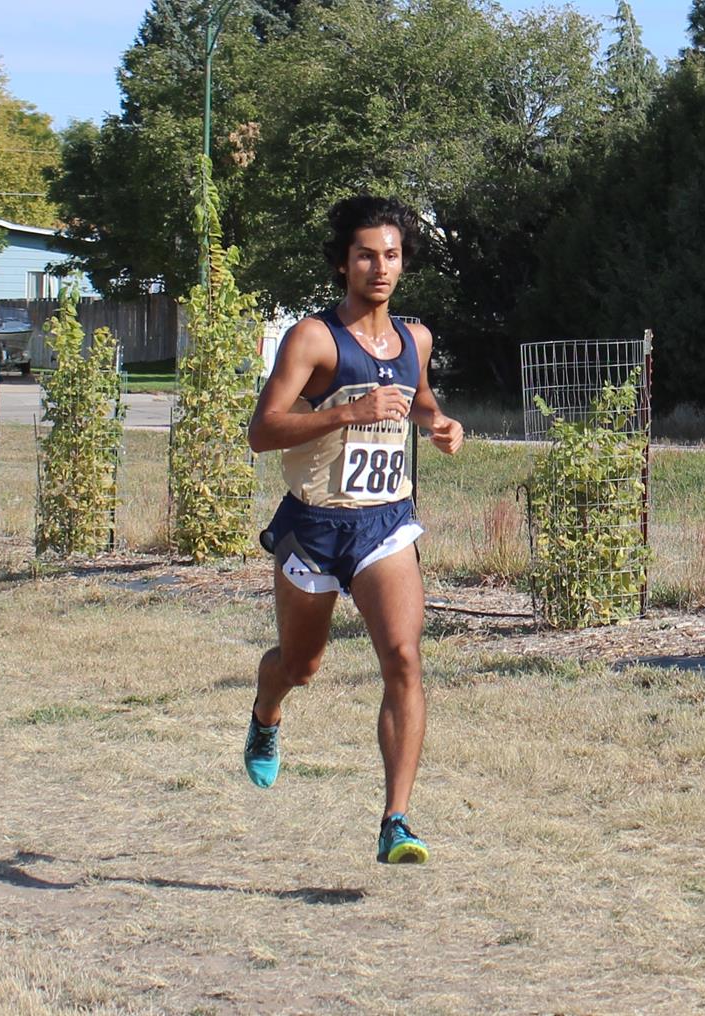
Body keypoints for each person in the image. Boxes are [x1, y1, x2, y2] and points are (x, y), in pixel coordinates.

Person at [243, 195, 464, 865]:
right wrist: (348, 412)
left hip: (385, 525)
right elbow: (262, 431)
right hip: (313, 526)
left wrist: (439, 424)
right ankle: (265, 714)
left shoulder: (414, 339)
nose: (380, 267)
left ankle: (396, 818)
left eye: (391, 255)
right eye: (366, 254)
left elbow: (418, 400)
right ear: (343, 263)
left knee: (403, 658)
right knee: (301, 666)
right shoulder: (313, 338)